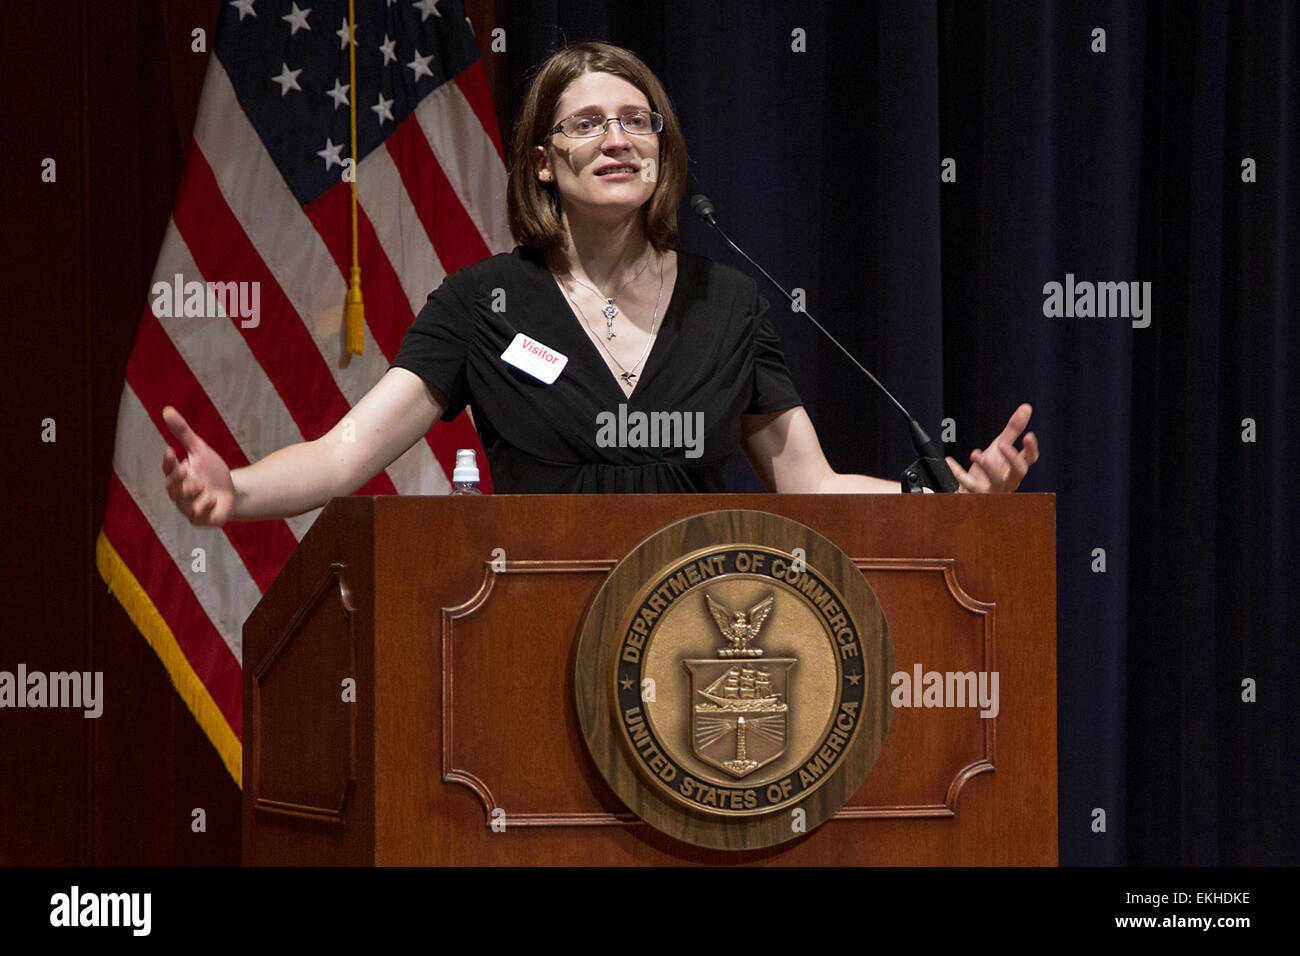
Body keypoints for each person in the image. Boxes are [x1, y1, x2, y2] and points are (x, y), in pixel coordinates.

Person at [163, 41, 1037, 524]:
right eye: (587, 124)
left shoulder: (726, 304)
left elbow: (808, 486)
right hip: (534, 635)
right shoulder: (482, 306)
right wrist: (232, 491)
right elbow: (344, 455)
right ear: (543, 164)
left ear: (661, 147)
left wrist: (942, 496)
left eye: (636, 120)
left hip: (704, 636)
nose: (619, 139)